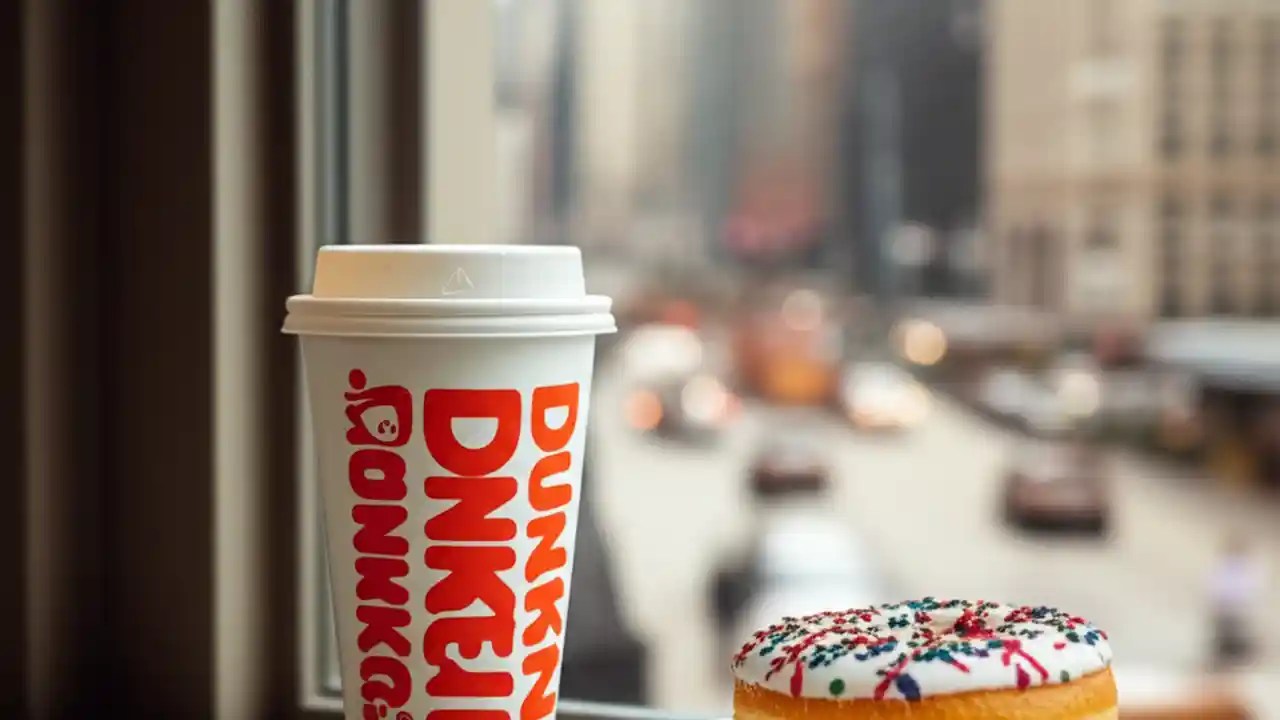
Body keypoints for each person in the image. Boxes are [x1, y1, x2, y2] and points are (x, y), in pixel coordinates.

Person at [1209, 533, 1264, 667]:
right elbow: (1215, 587)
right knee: (1223, 645)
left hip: (1238, 613)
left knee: (1236, 647)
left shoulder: (1248, 568)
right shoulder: (1224, 565)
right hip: (1225, 612)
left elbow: (1251, 591)